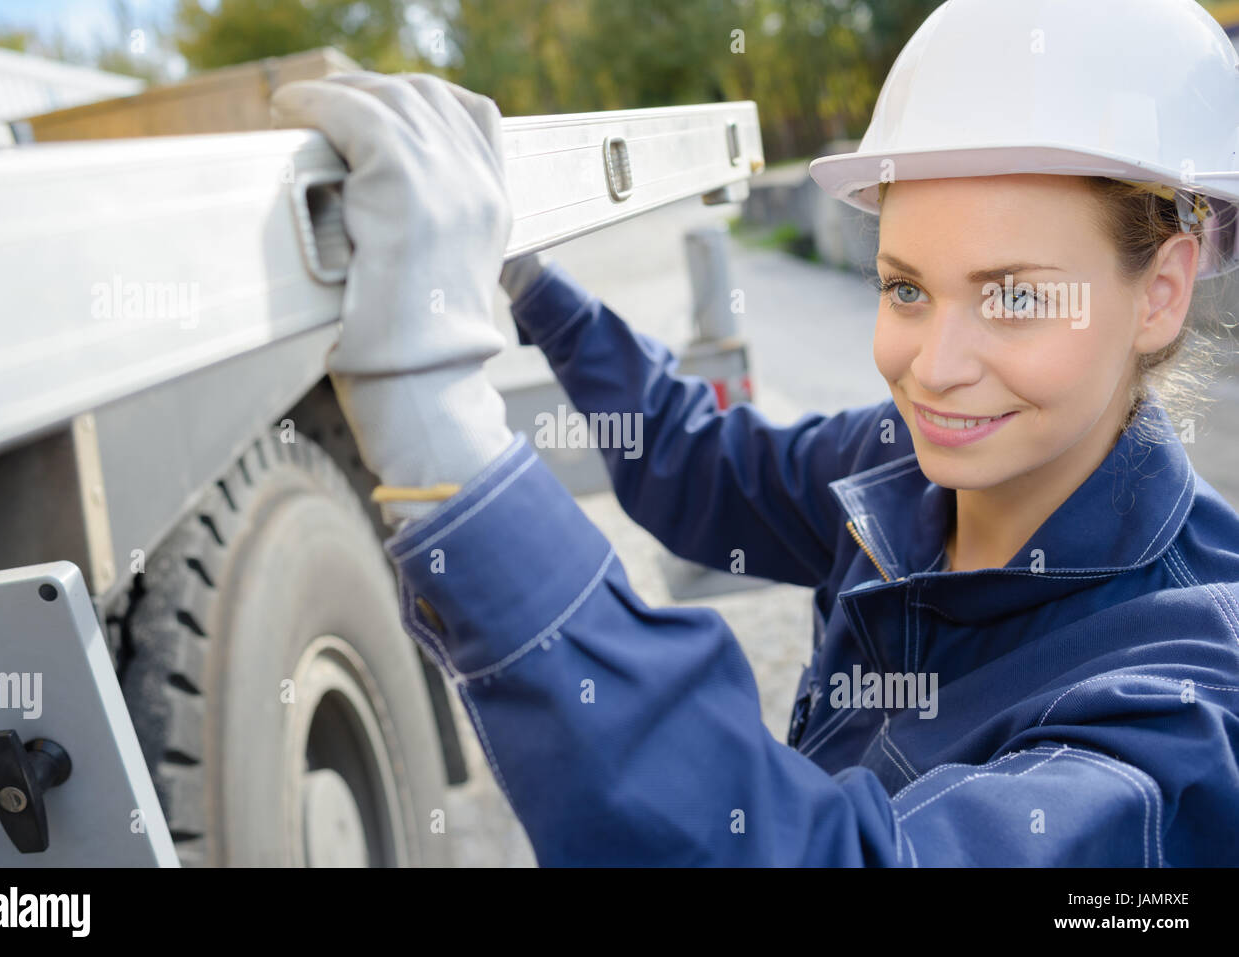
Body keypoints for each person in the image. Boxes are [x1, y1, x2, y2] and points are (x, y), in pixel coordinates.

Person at [269, 0, 1239, 865]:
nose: (932, 367)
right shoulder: (900, 470)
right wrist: (525, 284)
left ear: (1158, 293)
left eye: (1015, 297)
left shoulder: (1182, 696)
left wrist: (437, 423)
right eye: (904, 288)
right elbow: (704, 466)